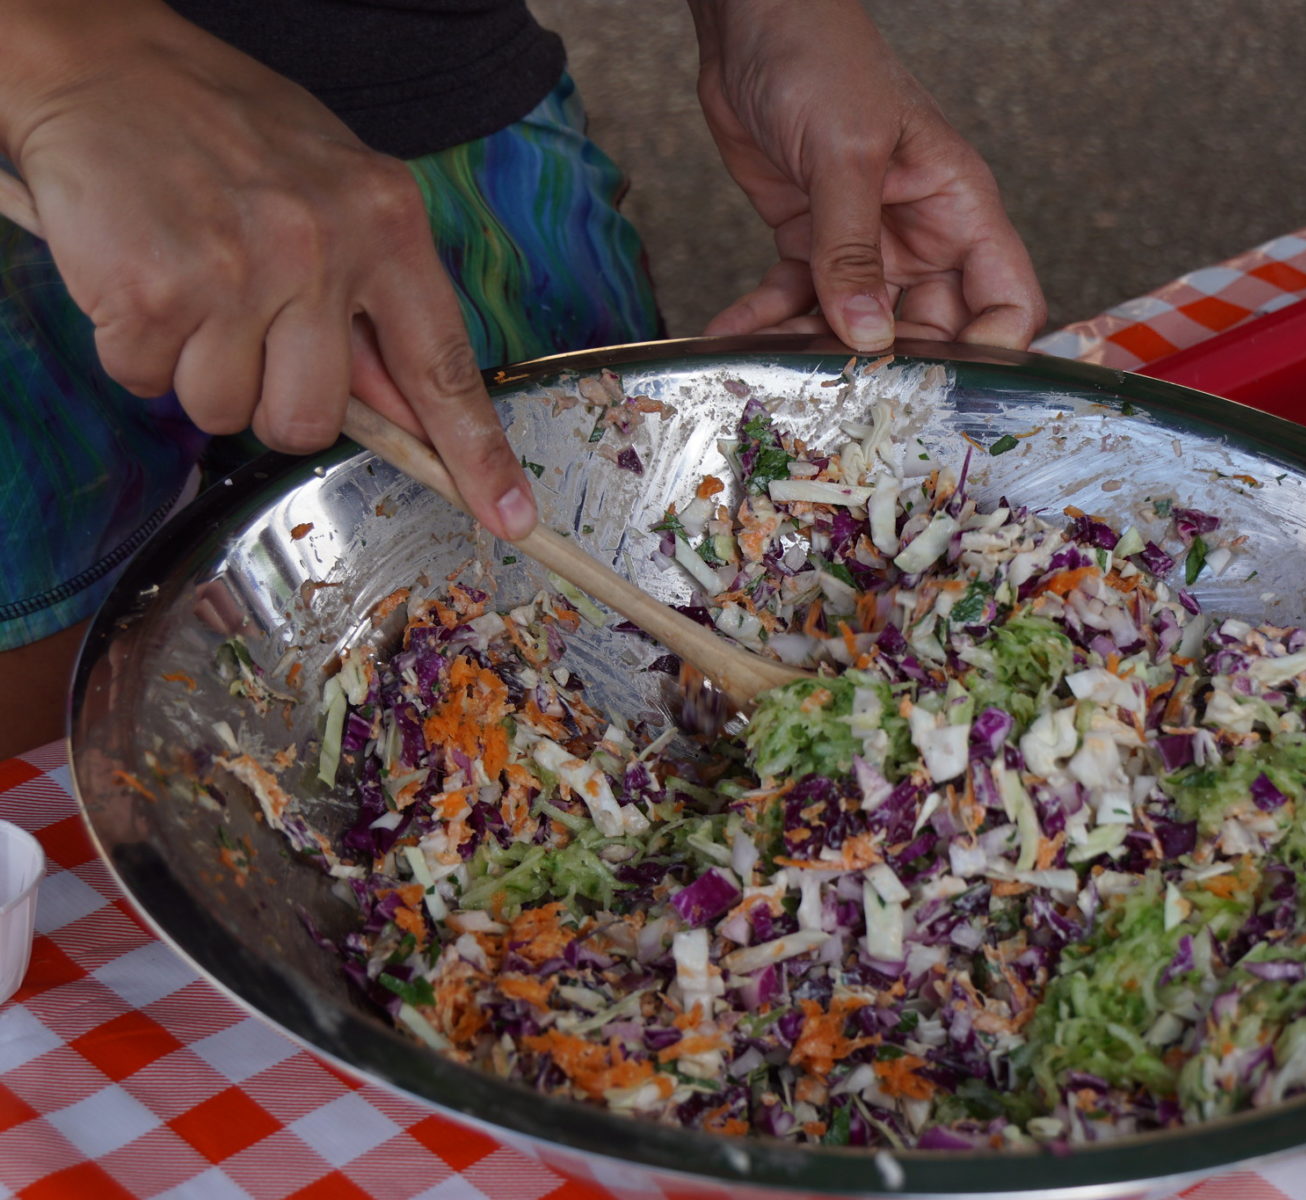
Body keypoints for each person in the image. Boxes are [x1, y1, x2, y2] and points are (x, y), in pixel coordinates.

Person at [0, 0, 1046, 761]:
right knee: (49, 790)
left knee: (593, 578)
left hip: (438, 104)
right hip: (33, 147)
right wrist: (60, 58)